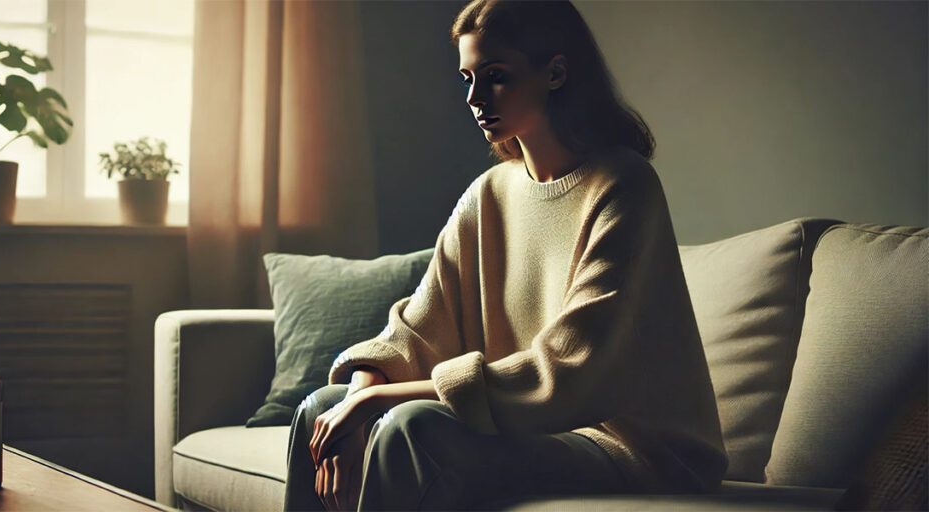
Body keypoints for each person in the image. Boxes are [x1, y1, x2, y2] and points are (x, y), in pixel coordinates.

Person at [284, 1, 728, 510]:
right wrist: (360, 393)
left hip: (634, 449)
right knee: (320, 406)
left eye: (495, 77)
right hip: (536, 432)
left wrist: (378, 401)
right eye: (467, 78)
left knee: (412, 426)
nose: (474, 98)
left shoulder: (624, 185)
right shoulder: (489, 193)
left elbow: (569, 369)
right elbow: (414, 331)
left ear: (556, 72)